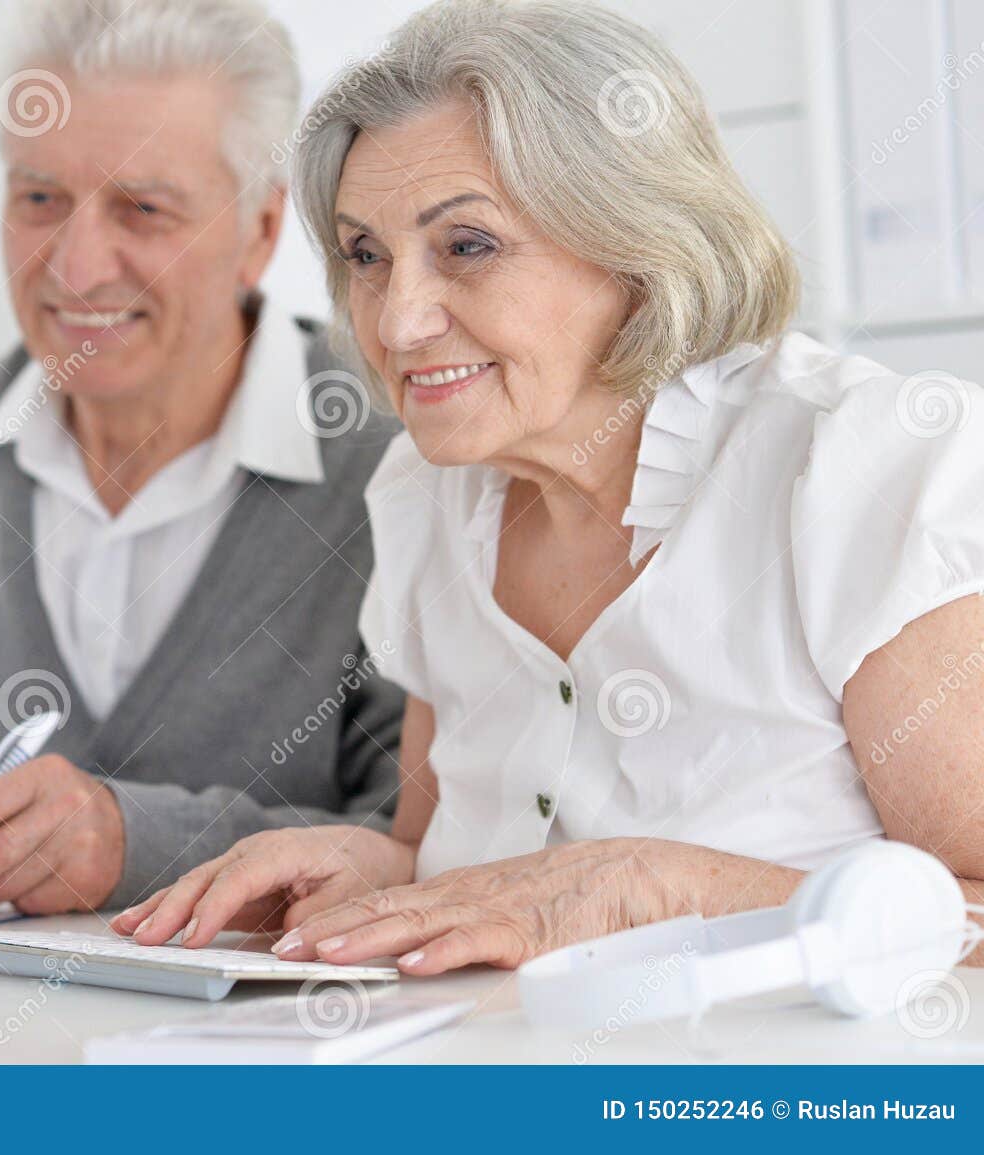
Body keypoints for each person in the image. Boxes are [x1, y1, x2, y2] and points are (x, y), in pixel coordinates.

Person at [114, 0, 984, 972]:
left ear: (636, 244)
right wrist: (372, 868)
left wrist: (656, 887)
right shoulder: (425, 497)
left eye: (467, 245)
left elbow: (975, 919)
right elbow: (452, 856)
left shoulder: (859, 468)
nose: (397, 322)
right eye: (367, 257)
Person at [0, 0, 404, 918]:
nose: (76, 268)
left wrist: (130, 842)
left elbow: (422, 841)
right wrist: (30, 837)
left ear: (261, 232)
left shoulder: (391, 463)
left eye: (143, 209)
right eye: (40, 199)